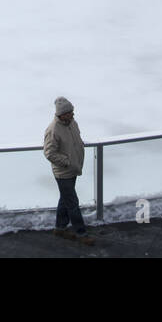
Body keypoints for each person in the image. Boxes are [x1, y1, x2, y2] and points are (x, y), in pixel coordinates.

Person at [43, 96, 93, 244]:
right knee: (72, 203)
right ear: (62, 114)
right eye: (70, 112)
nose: (73, 114)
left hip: (72, 168)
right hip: (63, 172)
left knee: (65, 199)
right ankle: (81, 234)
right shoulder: (53, 129)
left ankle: (60, 228)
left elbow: (76, 140)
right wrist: (67, 162)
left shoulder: (72, 123)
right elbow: (49, 153)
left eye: (72, 112)